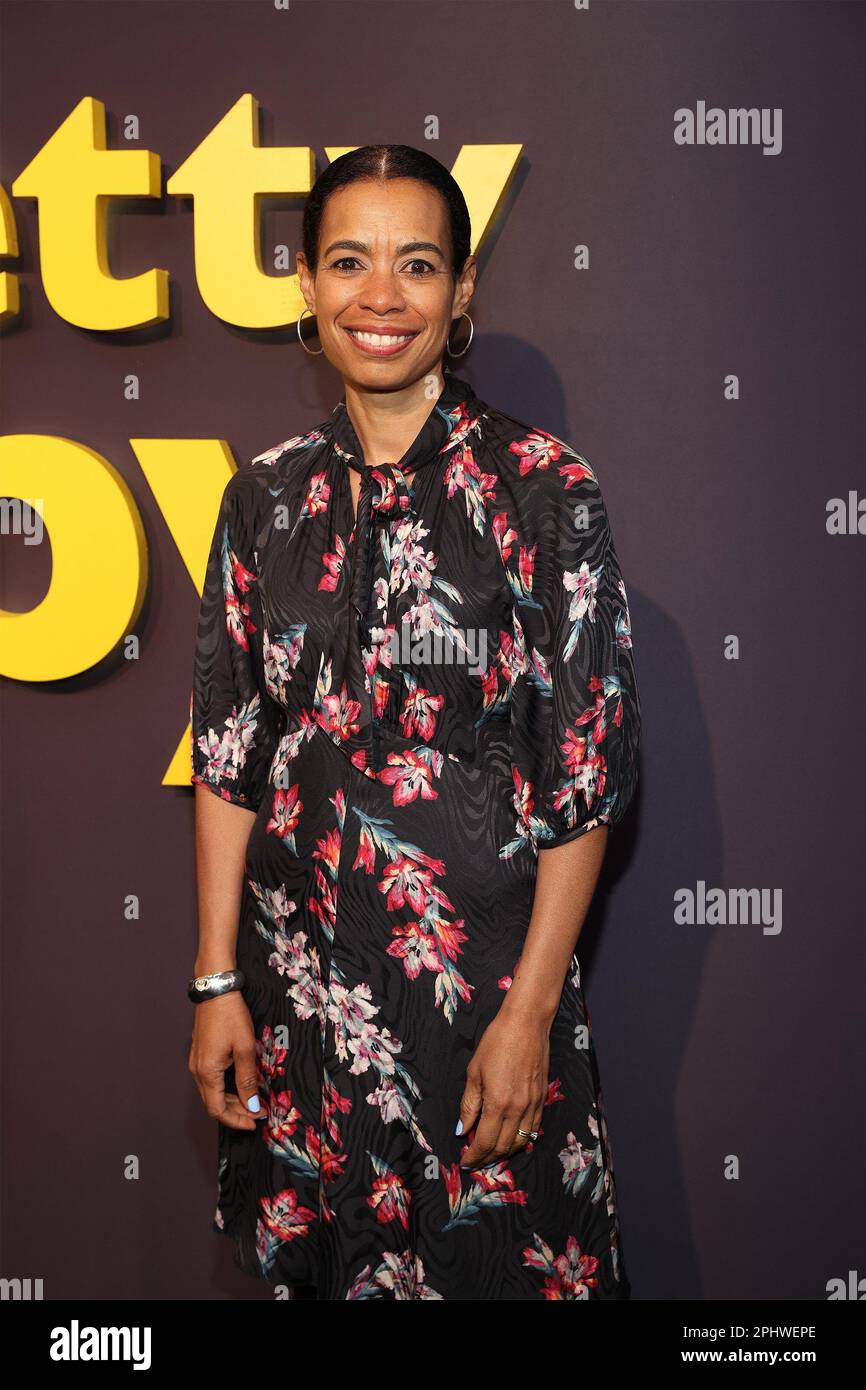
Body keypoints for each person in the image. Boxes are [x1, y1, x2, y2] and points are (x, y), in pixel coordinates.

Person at [188, 144, 641, 1301]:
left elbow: (583, 779)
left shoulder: (545, 491)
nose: (379, 297)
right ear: (303, 282)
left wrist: (530, 1012)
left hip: (480, 1012)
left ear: (463, 288)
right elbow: (231, 756)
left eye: (416, 264)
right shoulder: (263, 496)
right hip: (301, 1014)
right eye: (348, 261)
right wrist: (215, 981)